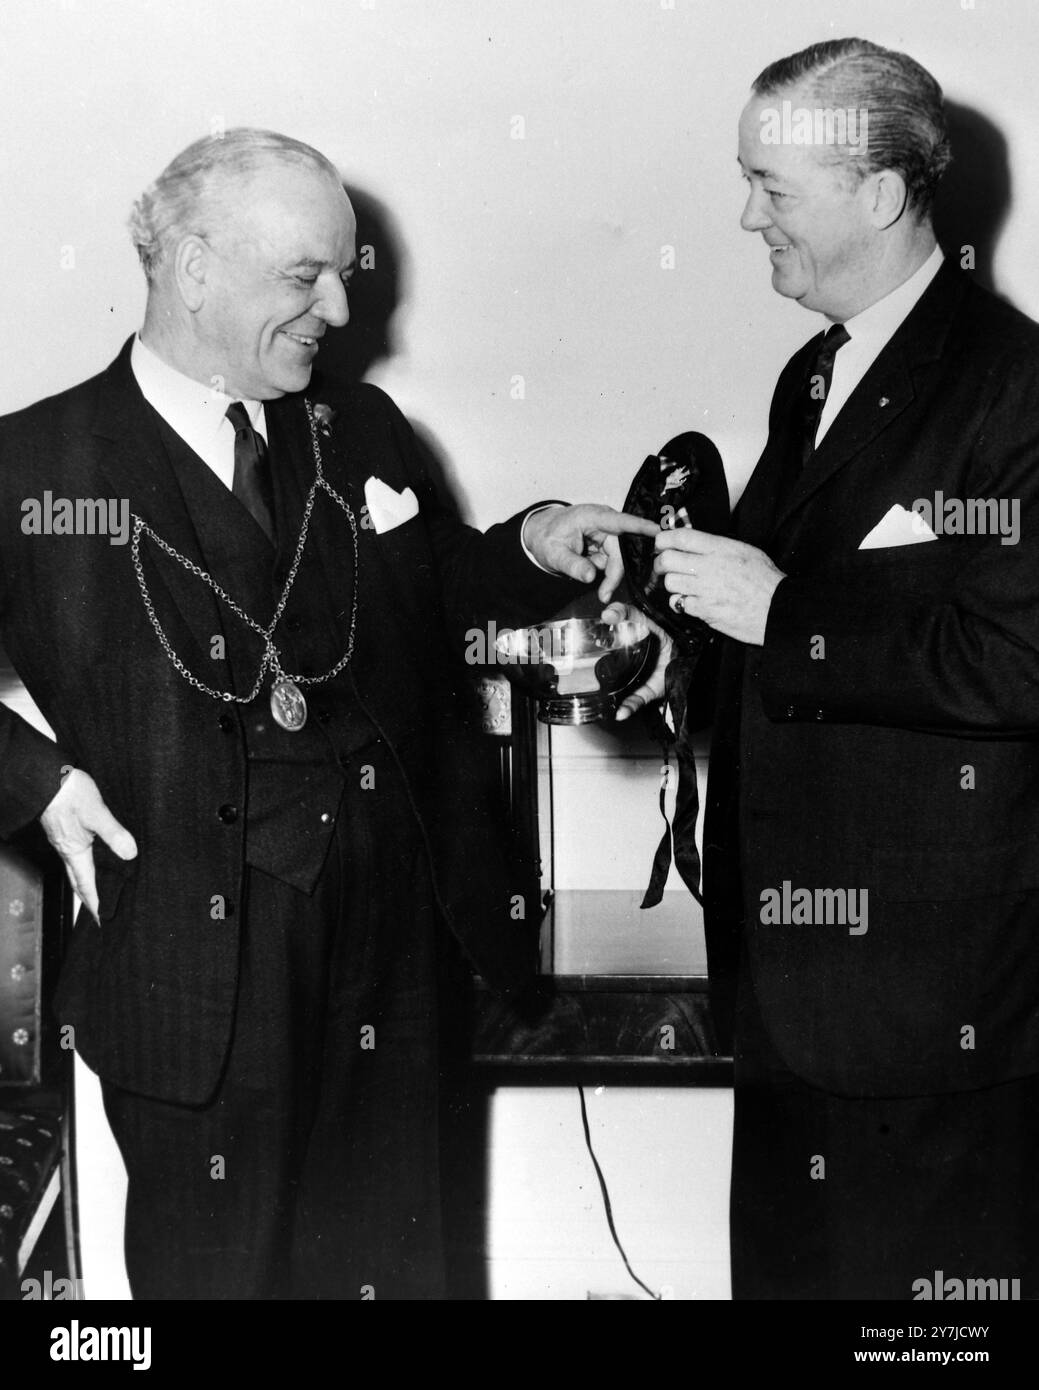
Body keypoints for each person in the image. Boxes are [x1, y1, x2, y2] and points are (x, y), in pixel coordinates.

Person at [0, 127, 655, 1299]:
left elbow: (433, 578)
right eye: (306, 275)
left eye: (344, 271)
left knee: (394, 1267)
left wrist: (535, 540)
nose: (340, 310)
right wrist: (36, 779)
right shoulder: (36, 466)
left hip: (390, 941)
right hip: (191, 966)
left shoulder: (360, 431)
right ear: (194, 269)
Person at [628, 37, 1039, 1299]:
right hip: (794, 992)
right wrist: (680, 640)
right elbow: (804, 607)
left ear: (877, 193)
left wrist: (778, 611)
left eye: (772, 187)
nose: (748, 214)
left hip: (928, 1011)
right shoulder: (816, 370)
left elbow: (1016, 660)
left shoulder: (1010, 385)